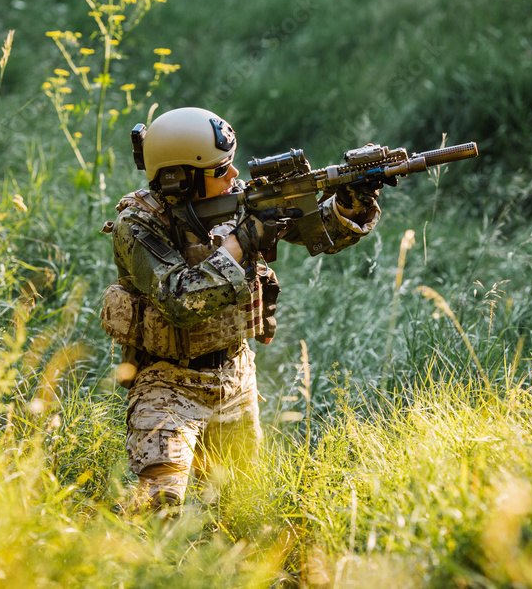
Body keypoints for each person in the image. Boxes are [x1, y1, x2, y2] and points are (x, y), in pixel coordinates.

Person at [100, 106, 382, 511]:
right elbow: (180, 299)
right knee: (160, 501)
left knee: (238, 505)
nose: (234, 178)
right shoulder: (139, 225)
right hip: (166, 382)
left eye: (233, 165)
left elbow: (313, 232)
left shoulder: (236, 200)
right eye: (221, 170)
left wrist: (348, 208)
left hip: (234, 377)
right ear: (179, 178)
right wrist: (241, 242)